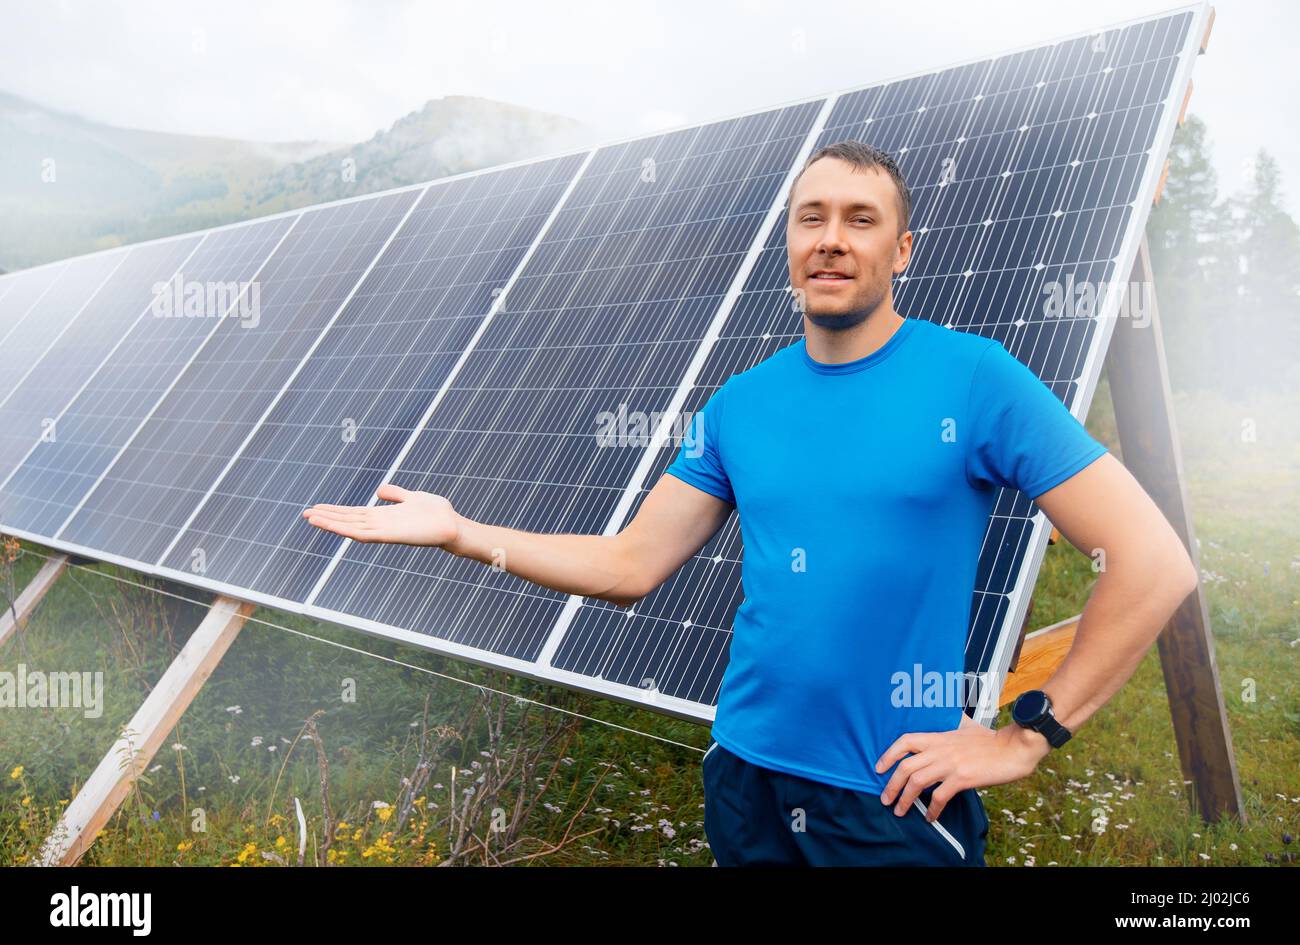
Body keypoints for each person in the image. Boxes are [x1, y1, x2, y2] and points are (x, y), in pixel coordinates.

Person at [302, 140, 1199, 867]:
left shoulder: (975, 378)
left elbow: (1151, 564)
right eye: (812, 219)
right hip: (745, 778)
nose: (832, 239)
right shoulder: (740, 403)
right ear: (789, 243)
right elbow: (629, 566)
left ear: (902, 250)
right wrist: (462, 533)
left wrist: (1026, 737)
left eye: (861, 220)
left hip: (891, 798)